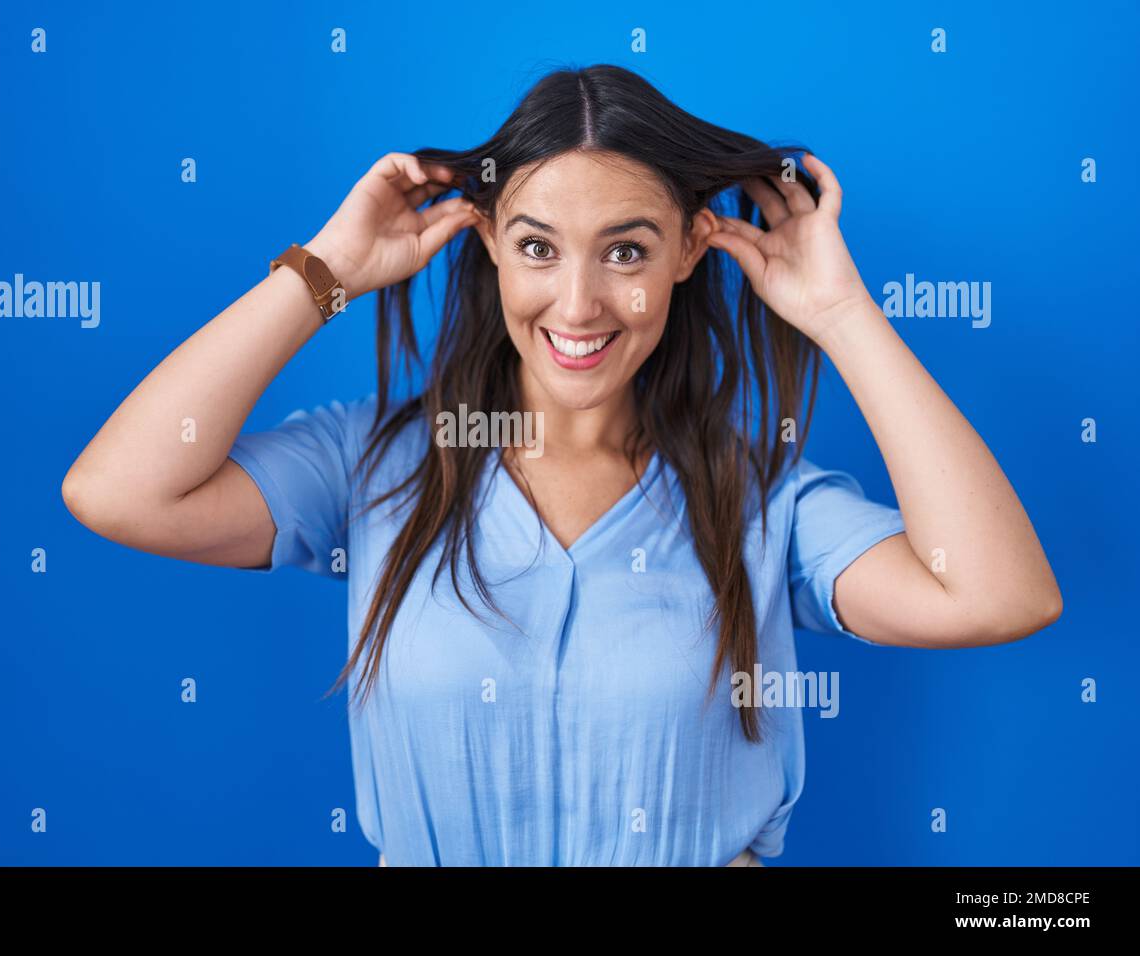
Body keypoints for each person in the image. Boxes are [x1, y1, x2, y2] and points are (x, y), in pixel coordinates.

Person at [61, 65, 1062, 866]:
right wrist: (325, 273)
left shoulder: (761, 500)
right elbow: (117, 491)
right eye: (538, 247)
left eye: (625, 252)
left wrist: (843, 317)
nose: (577, 304)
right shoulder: (370, 466)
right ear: (490, 240)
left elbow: (996, 595)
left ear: (686, 250)